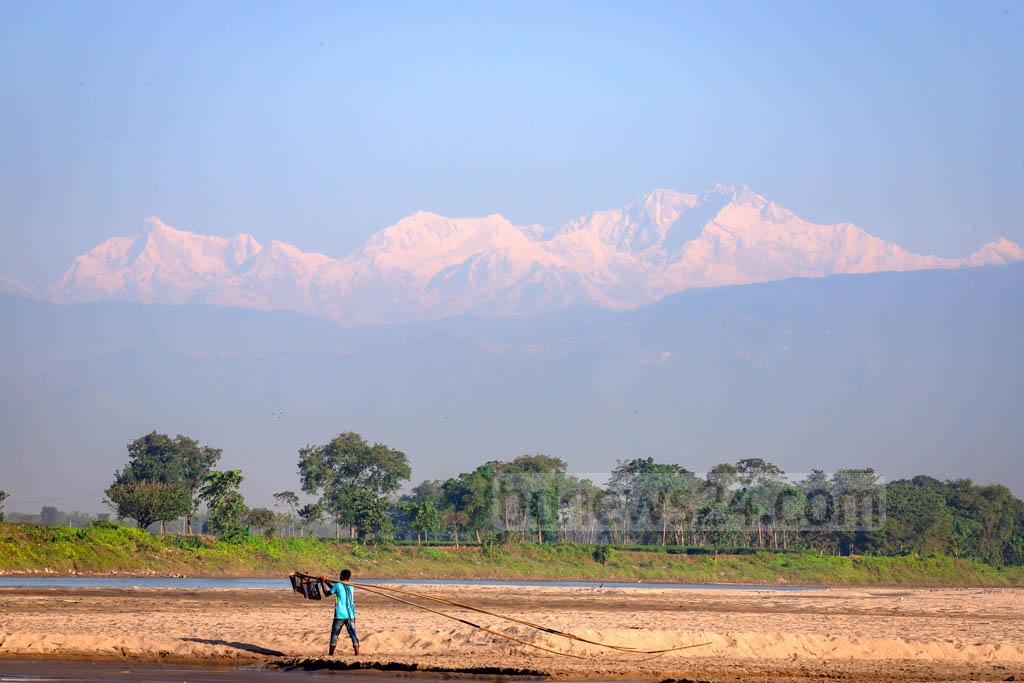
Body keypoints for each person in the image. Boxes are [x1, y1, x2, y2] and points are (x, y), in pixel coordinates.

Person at [320, 569, 359, 656]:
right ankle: (357, 653)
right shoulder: (351, 586)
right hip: (351, 614)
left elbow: (327, 593)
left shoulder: (338, 585)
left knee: (335, 634)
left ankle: (330, 654)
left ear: (341, 576)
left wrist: (322, 583)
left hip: (340, 615)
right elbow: (336, 590)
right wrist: (326, 582)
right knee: (353, 633)